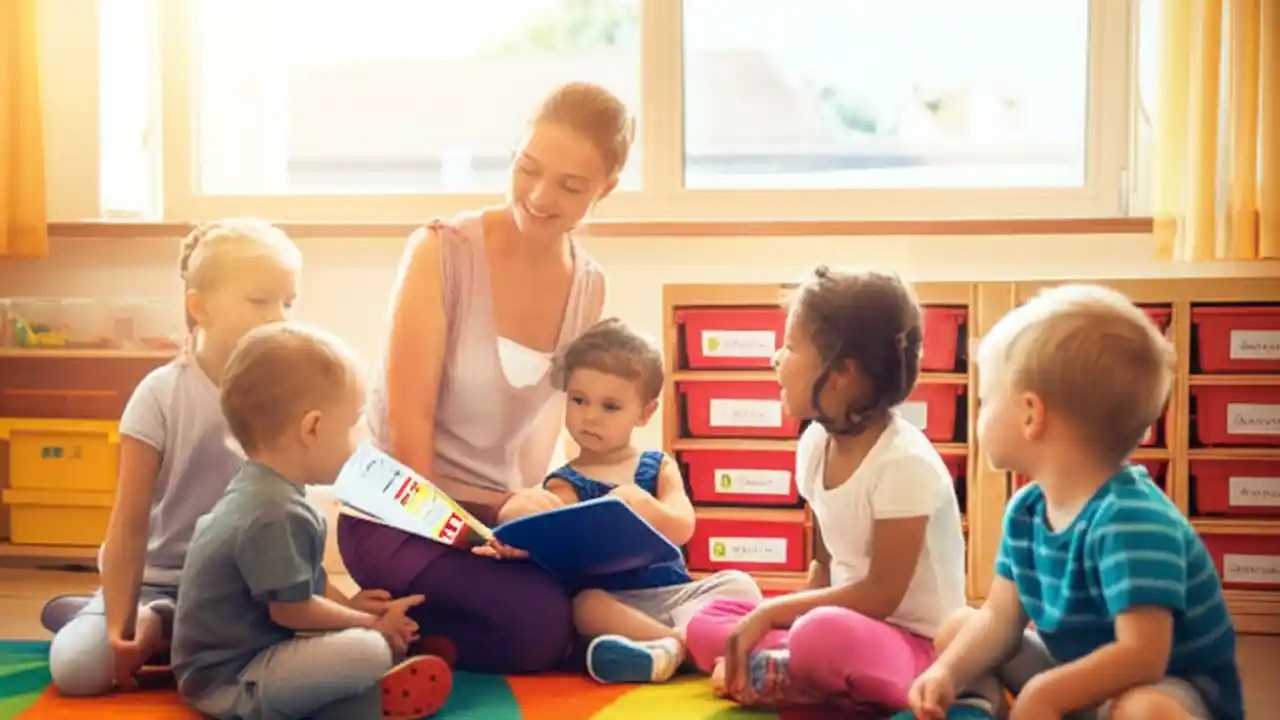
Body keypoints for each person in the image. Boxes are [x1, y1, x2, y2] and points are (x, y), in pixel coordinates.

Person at [337, 81, 631, 674]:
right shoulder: (440, 251)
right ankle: (361, 638)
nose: (540, 197)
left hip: (499, 522)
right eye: (528, 169)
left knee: (598, 601)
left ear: (606, 189)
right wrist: (491, 522)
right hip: (399, 515)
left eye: (571, 186)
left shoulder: (588, 286)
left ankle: (390, 634)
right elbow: (408, 440)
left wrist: (560, 518)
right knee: (543, 629)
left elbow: (561, 432)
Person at [896, 284, 1244, 720]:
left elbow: (1144, 657)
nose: (979, 414)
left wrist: (1046, 694)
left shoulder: (1132, 520)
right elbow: (1001, 622)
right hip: (1077, 672)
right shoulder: (1025, 510)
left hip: (1168, 685)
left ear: (1030, 414)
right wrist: (945, 673)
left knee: (1147, 710)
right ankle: (985, 707)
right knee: (959, 630)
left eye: (985, 401)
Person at [683, 267, 968, 713]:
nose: (775, 359)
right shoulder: (815, 442)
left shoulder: (904, 463)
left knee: (819, 636)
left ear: (841, 374)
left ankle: (793, 673)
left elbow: (881, 595)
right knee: (707, 623)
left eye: (791, 347)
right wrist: (779, 622)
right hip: (846, 624)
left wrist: (771, 617)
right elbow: (824, 564)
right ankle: (795, 673)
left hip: (917, 645)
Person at [45, 219, 303, 696]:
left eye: (288, 302)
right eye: (260, 301)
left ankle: (155, 630)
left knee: (325, 646)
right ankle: (130, 618)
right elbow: (129, 525)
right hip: (157, 582)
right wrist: (119, 627)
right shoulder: (159, 395)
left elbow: (295, 518)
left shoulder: (288, 397)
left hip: (245, 592)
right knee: (79, 670)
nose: (280, 318)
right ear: (199, 307)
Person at [173, 322, 451, 720]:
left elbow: (304, 577)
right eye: (352, 425)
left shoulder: (264, 488)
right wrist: (372, 626)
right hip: (229, 683)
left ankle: (369, 683)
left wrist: (358, 609)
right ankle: (371, 700)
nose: (357, 442)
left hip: (242, 661)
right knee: (366, 650)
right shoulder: (274, 511)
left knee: (360, 641)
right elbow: (292, 611)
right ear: (312, 428)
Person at [528, 318, 763, 684]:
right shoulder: (564, 482)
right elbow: (564, 546)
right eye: (578, 400)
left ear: (645, 412)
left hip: (675, 593)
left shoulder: (656, 466)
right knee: (583, 606)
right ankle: (680, 645)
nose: (589, 416)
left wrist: (645, 507)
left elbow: (684, 526)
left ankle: (668, 650)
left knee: (739, 583)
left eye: (610, 406)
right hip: (619, 603)